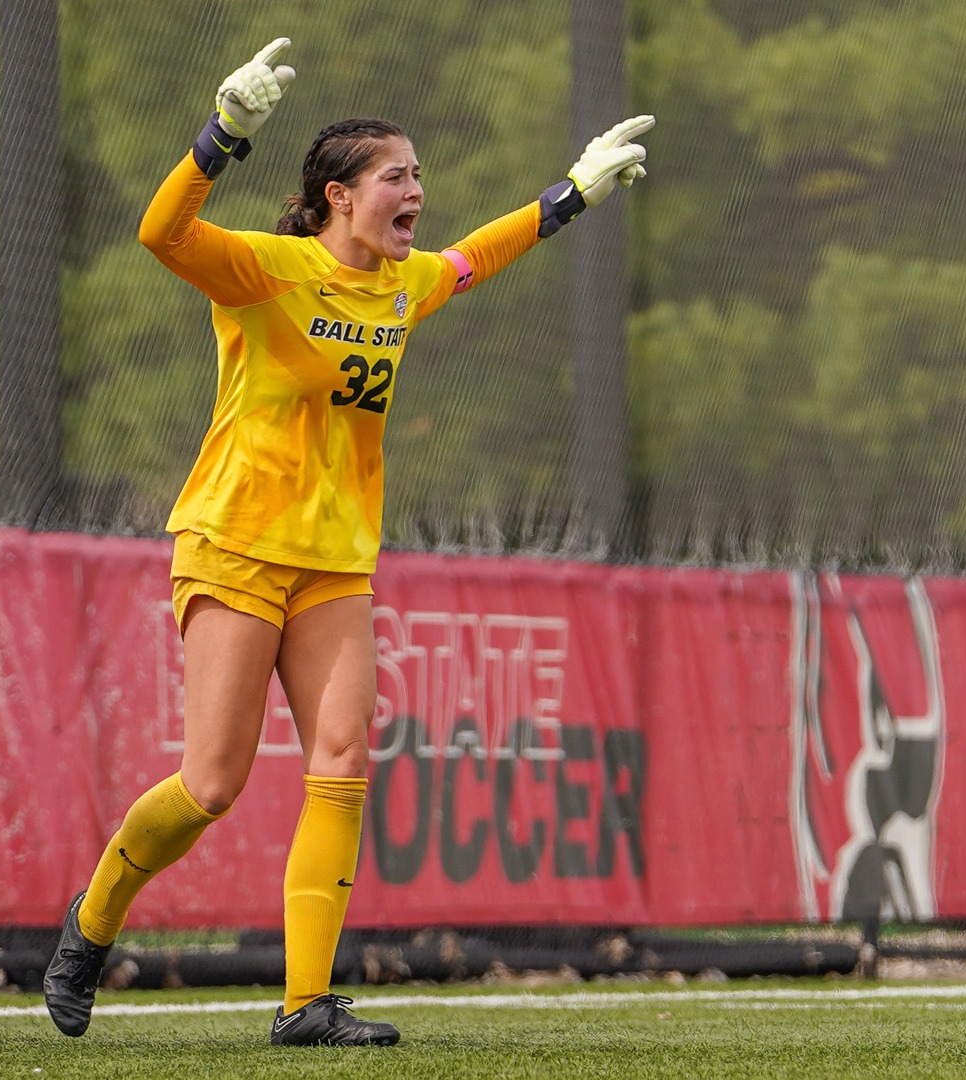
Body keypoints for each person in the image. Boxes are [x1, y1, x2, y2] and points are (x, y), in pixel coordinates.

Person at [43, 37, 652, 1047]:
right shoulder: (266, 270)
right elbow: (161, 232)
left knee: (343, 756)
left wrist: (573, 193)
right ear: (338, 197)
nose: (419, 190)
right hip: (236, 544)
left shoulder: (401, 286)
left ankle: (305, 1004)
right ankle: (92, 922)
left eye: (419, 174)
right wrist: (220, 136)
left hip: (334, 560)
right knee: (212, 786)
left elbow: (475, 257)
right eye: (397, 176)